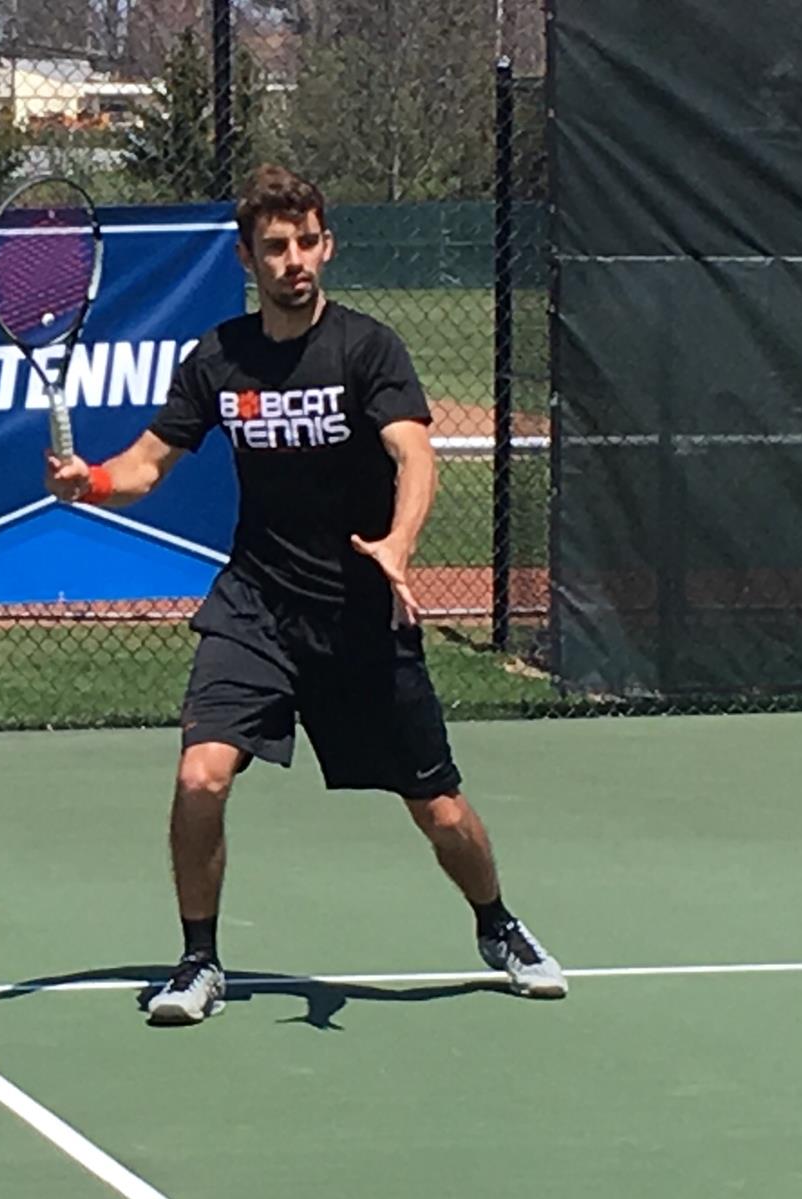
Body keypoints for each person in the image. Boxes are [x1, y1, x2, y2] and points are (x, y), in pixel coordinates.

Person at [45, 164, 566, 1024]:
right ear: (248, 257)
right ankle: (199, 961)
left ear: (326, 244)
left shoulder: (368, 348)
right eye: (275, 247)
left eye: (307, 242)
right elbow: (146, 463)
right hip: (255, 608)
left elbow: (414, 454)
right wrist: (91, 479)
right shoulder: (218, 357)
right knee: (201, 777)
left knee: (439, 809)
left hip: (361, 619)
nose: (294, 260)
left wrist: (398, 544)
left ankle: (497, 926)